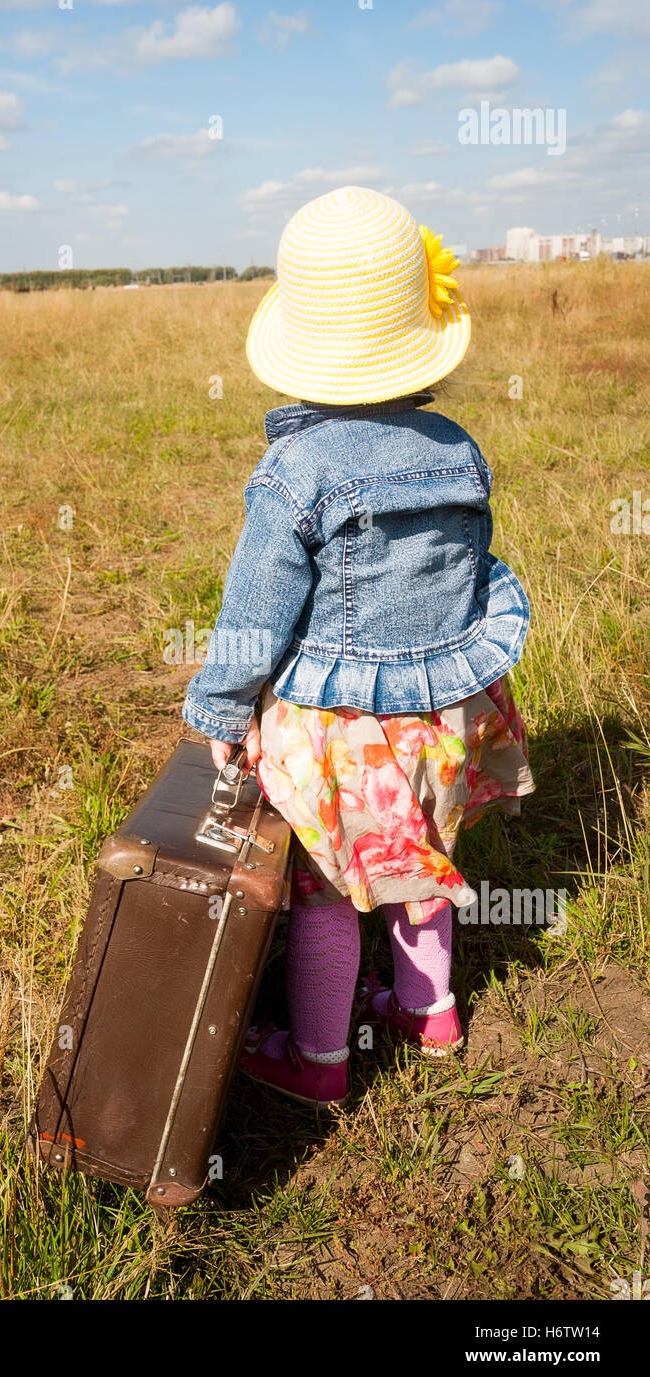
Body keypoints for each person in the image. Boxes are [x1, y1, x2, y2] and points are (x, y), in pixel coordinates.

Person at [182, 186, 535, 1108]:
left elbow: (255, 610)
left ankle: (318, 1061)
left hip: (341, 729)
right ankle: (431, 1015)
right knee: (422, 860)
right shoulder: (456, 447)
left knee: (329, 891)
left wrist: (220, 706)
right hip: (444, 713)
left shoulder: (294, 470)